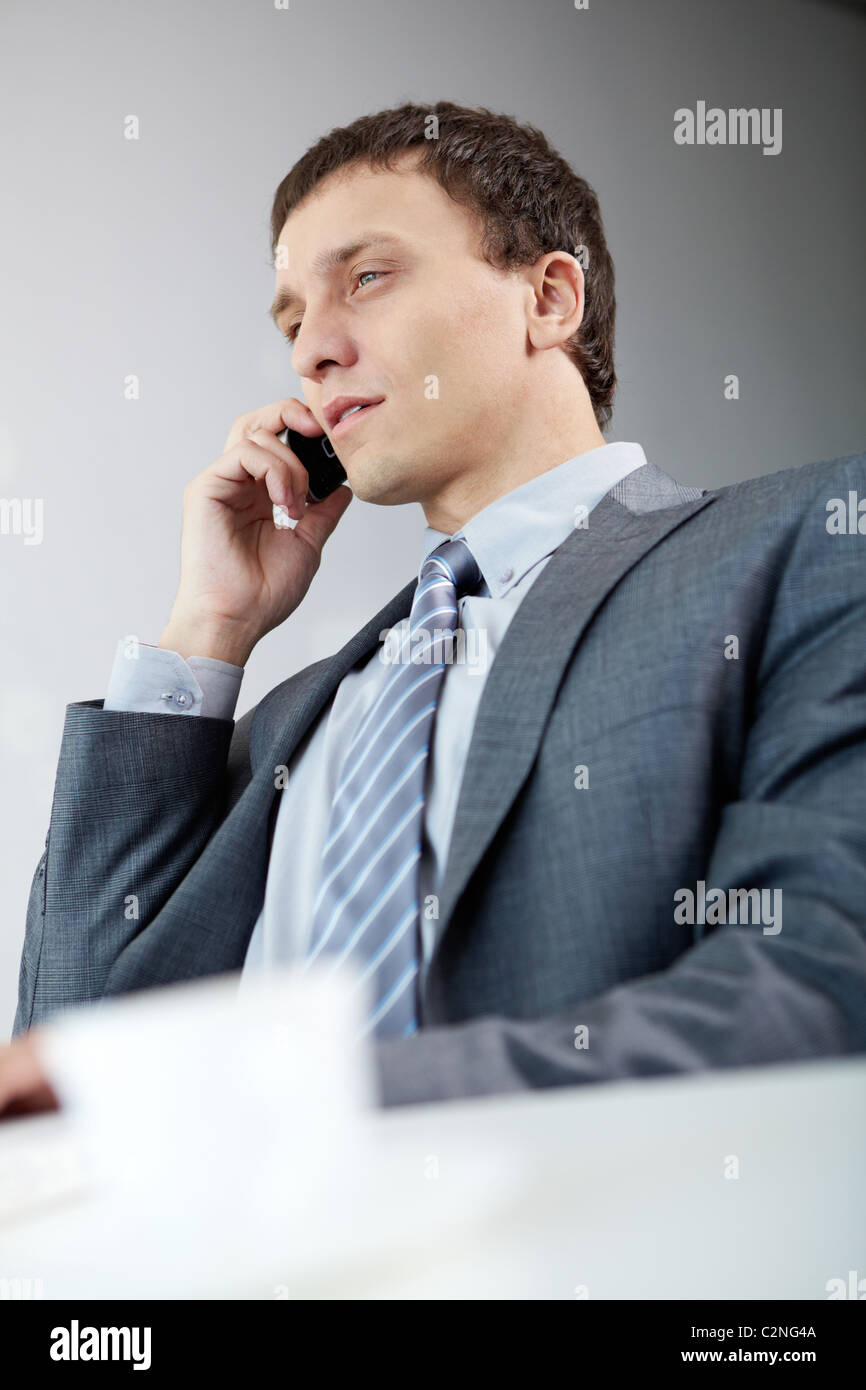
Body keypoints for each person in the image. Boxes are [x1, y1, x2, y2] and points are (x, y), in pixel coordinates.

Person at [3, 100, 865, 1119]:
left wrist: (296, 1102)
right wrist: (210, 630)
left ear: (548, 298)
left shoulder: (810, 541)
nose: (311, 351)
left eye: (364, 277)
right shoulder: (285, 722)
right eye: (289, 321)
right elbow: (69, 1046)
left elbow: (817, 991)